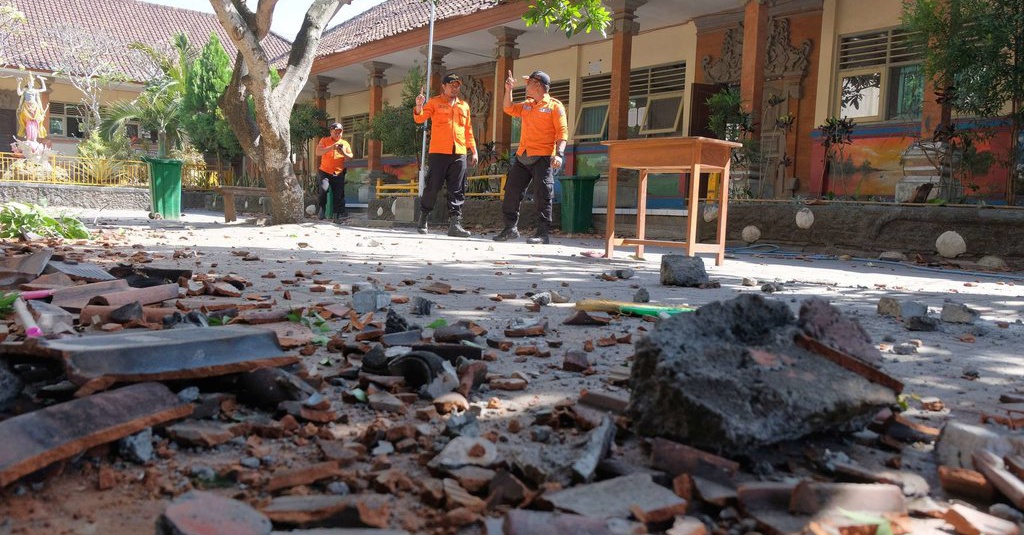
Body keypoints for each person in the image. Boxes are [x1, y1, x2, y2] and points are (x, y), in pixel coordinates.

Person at [494, 70, 567, 244]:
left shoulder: (555, 106)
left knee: (543, 194)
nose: (526, 85)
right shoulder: (527, 105)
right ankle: (510, 228)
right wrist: (508, 89)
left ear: (538, 85)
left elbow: (562, 133)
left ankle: (542, 234)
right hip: (523, 155)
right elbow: (508, 108)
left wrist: (560, 154)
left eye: (528, 82)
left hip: (542, 157)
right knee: (511, 192)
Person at [412, 73, 478, 237]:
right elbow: (420, 119)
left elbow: (468, 130)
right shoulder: (434, 102)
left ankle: (455, 225)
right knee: (433, 187)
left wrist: (474, 150)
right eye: (451, 85)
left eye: (457, 85)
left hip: (459, 152)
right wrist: (419, 106)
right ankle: (423, 218)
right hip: (439, 152)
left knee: (457, 189)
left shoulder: (464, 106)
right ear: (444, 86)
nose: (455, 88)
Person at [315, 122, 353, 222]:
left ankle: (337, 215)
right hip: (325, 171)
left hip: (338, 172)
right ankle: (322, 209)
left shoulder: (345, 143)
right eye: (335, 132)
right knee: (324, 188)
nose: (337, 134)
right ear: (331, 132)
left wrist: (343, 152)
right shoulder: (324, 140)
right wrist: (331, 147)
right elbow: (318, 152)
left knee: (338, 194)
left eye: (339, 132)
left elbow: (350, 158)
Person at [16, 73, 48, 143]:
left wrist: (42, 80)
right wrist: (18, 84)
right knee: (27, 122)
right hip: (26, 107)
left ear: (33, 83)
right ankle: (28, 137)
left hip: (34, 107)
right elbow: (19, 93)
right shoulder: (25, 90)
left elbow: (44, 89)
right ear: (27, 83)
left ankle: (34, 139)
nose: (30, 84)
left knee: (35, 122)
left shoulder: (35, 91)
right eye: (29, 82)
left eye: (32, 82)